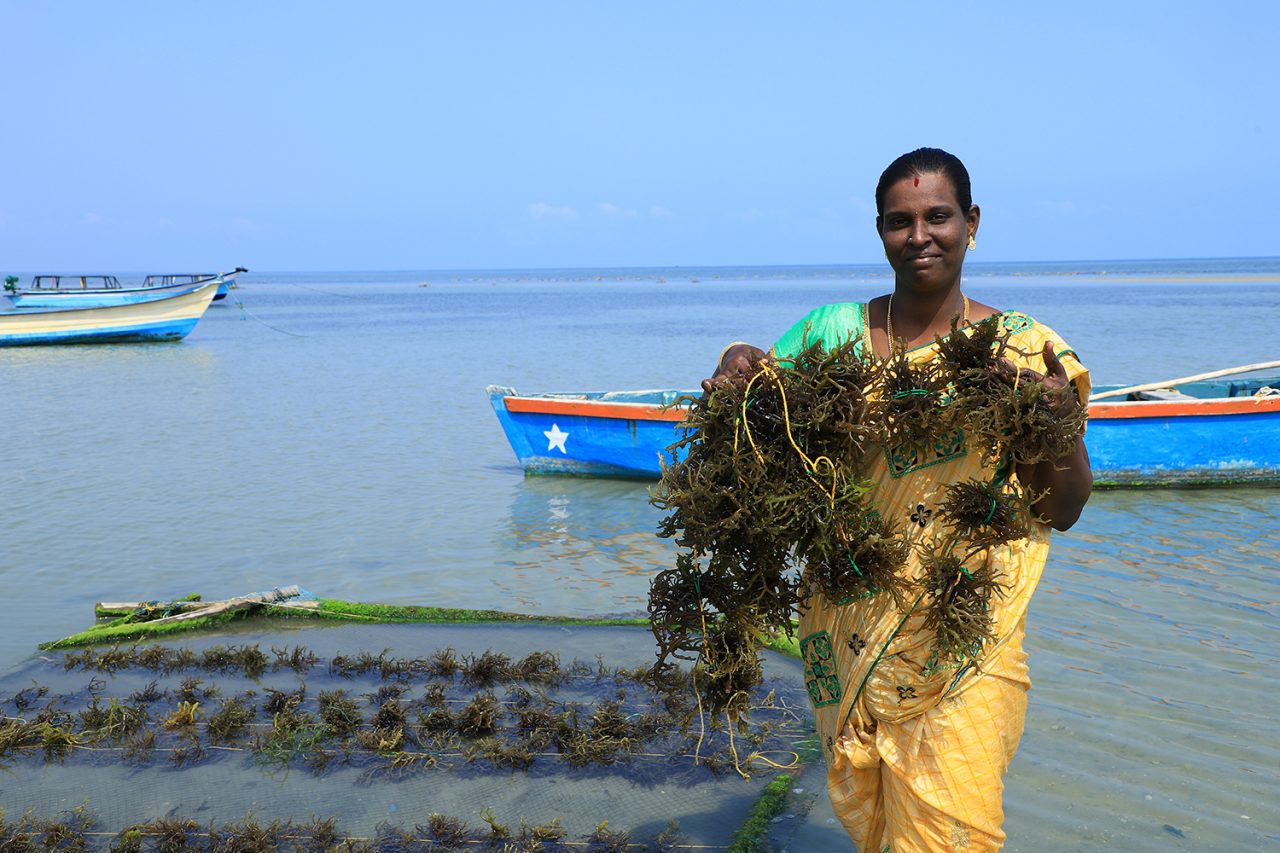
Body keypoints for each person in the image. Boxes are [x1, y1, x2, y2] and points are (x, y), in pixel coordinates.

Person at [702, 148, 1091, 852]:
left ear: (972, 223)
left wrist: (1055, 424)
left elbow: (1062, 509)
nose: (919, 236)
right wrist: (737, 364)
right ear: (879, 230)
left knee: (955, 832)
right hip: (847, 625)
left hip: (966, 638)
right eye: (898, 221)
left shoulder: (1019, 349)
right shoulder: (830, 336)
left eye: (938, 216)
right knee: (876, 826)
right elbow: (758, 412)